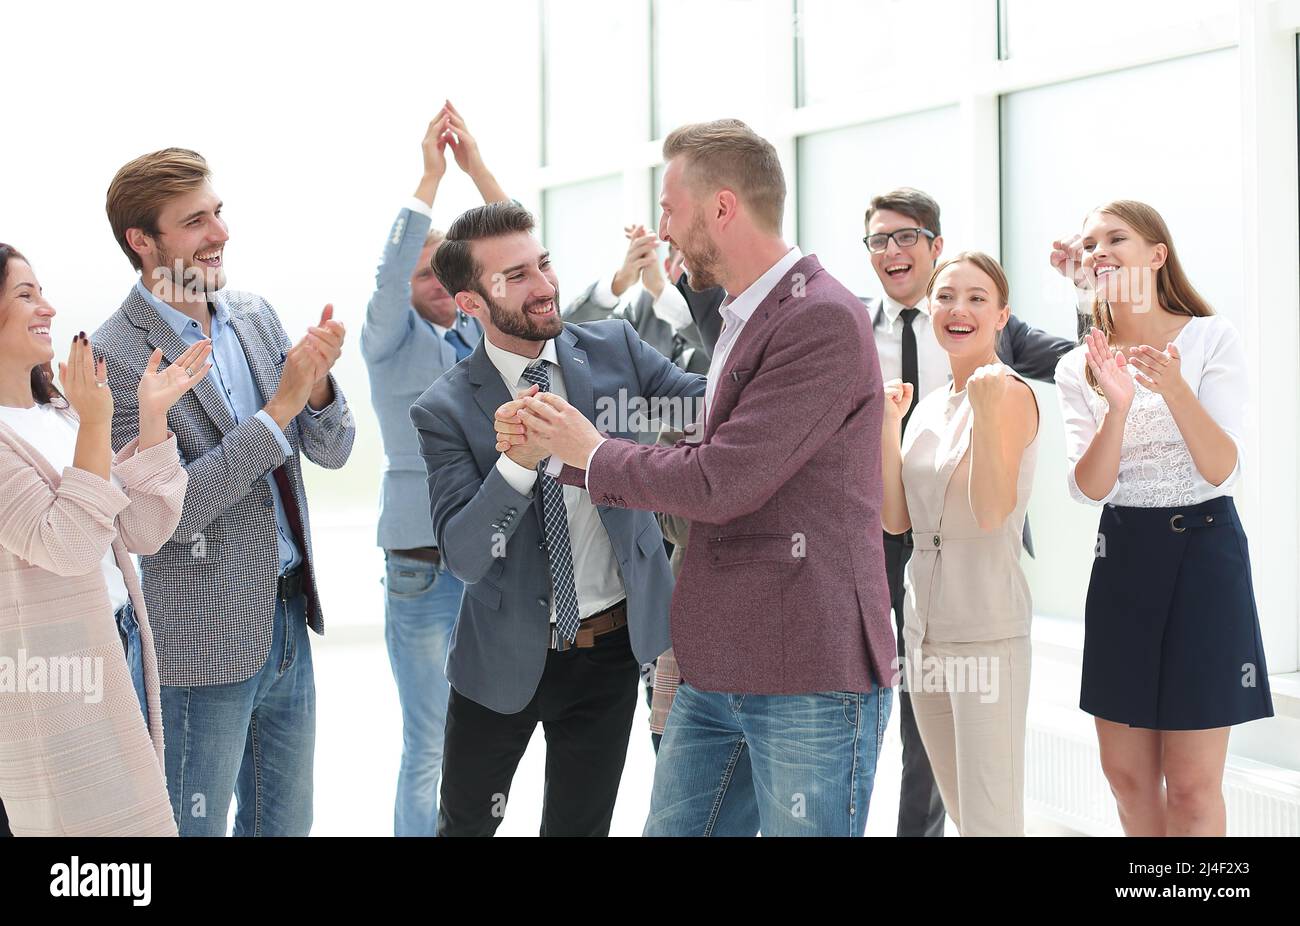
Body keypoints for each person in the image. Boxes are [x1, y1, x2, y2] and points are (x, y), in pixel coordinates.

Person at [511, 119, 895, 837]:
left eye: (670, 208)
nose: (662, 230)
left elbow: (723, 481)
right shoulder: (743, 314)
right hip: (716, 665)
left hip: (808, 672)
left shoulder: (822, 319)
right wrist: (565, 448)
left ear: (722, 207)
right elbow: (728, 456)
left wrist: (590, 451)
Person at [410, 200, 705, 836]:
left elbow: (708, 409)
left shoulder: (615, 349)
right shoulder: (444, 408)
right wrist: (515, 464)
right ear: (471, 302)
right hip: (500, 658)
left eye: (542, 264)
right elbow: (466, 556)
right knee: (464, 827)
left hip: (611, 651)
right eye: (516, 276)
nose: (544, 286)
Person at [94, 148, 356, 836]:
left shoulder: (254, 315)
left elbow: (332, 451)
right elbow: (168, 514)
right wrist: (280, 409)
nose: (220, 233)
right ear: (142, 241)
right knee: (191, 828)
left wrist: (316, 388)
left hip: (288, 617)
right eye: (195, 222)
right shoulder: (116, 355)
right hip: (198, 640)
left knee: (284, 827)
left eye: (218, 212)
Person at [1054, 199, 1272, 836]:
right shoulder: (1079, 364)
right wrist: (1118, 406)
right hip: (1123, 557)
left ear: (1157, 255)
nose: (1098, 251)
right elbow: (1088, 490)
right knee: (1125, 778)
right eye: (1089, 243)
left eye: (1115, 238)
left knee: (1194, 787)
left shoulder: (1211, 337)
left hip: (1206, 558)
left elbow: (1223, 471)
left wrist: (1173, 387)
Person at [0, 243, 208, 835]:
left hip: (121, 641)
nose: (47, 307)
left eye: (42, 292)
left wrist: (151, 417)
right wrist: (96, 422)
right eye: (25, 295)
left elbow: (139, 530)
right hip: (58, 671)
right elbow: (67, 547)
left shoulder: (59, 413)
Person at [361, 101, 505, 837]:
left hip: (489, 568)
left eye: (444, 270)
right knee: (429, 743)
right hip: (420, 565)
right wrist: (430, 180)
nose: (436, 281)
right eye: (423, 272)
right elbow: (391, 276)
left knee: (484, 742)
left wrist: (478, 170)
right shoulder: (391, 342)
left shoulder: (482, 340)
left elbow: (514, 261)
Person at [880, 251, 1039, 836]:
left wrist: (987, 411)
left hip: (987, 632)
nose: (958, 309)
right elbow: (897, 521)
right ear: (929, 307)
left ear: (1001, 316)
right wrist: (887, 426)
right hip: (922, 632)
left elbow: (993, 512)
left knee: (992, 821)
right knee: (961, 812)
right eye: (945, 296)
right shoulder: (926, 406)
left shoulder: (1010, 394)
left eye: (977, 298)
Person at [563, 225, 711, 382]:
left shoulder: (724, 313)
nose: (694, 271)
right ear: (668, 266)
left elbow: (715, 345)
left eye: (702, 262)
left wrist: (659, 289)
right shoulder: (645, 307)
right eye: (683, 262)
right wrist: (619, 283)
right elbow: (569, 335)